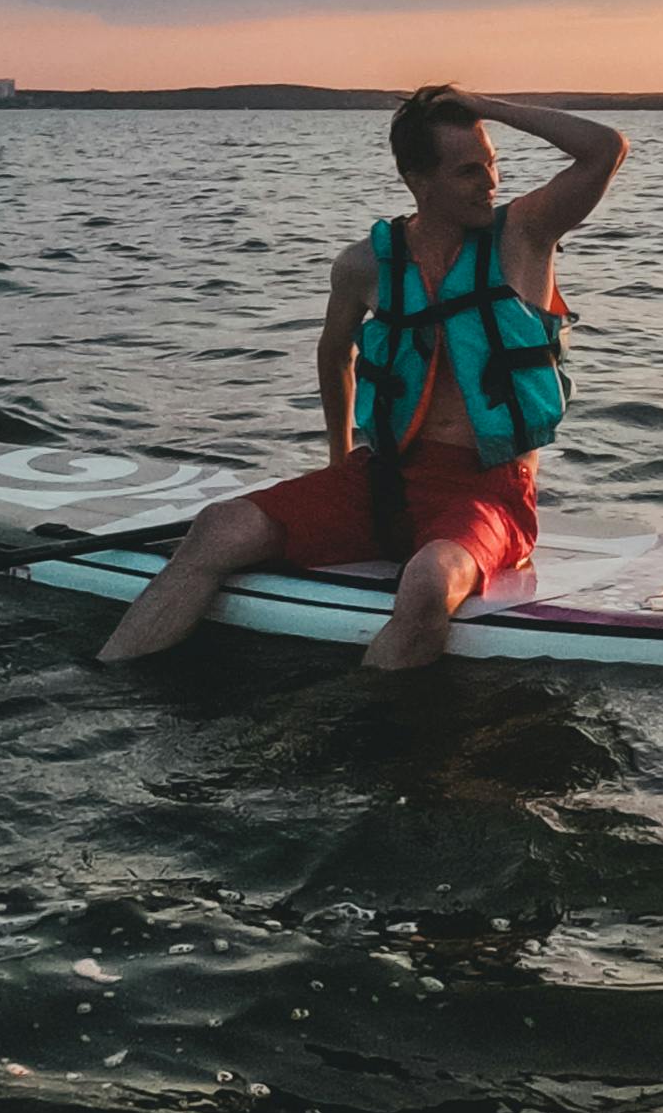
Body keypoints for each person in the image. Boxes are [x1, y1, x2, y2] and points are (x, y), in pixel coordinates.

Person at [98, 86, 628, 673]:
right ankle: (99, 680)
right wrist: (337, 458)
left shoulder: (524, 236)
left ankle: (360, 729)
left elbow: (604, 148)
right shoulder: (364, 266)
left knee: (427, 581)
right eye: (468, 171)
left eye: (493, 165)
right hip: (381, 478)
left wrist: (487, 107)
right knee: (216, 529)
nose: (490, 183)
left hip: (487, 490)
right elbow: (335, 356)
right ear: (417, 181)